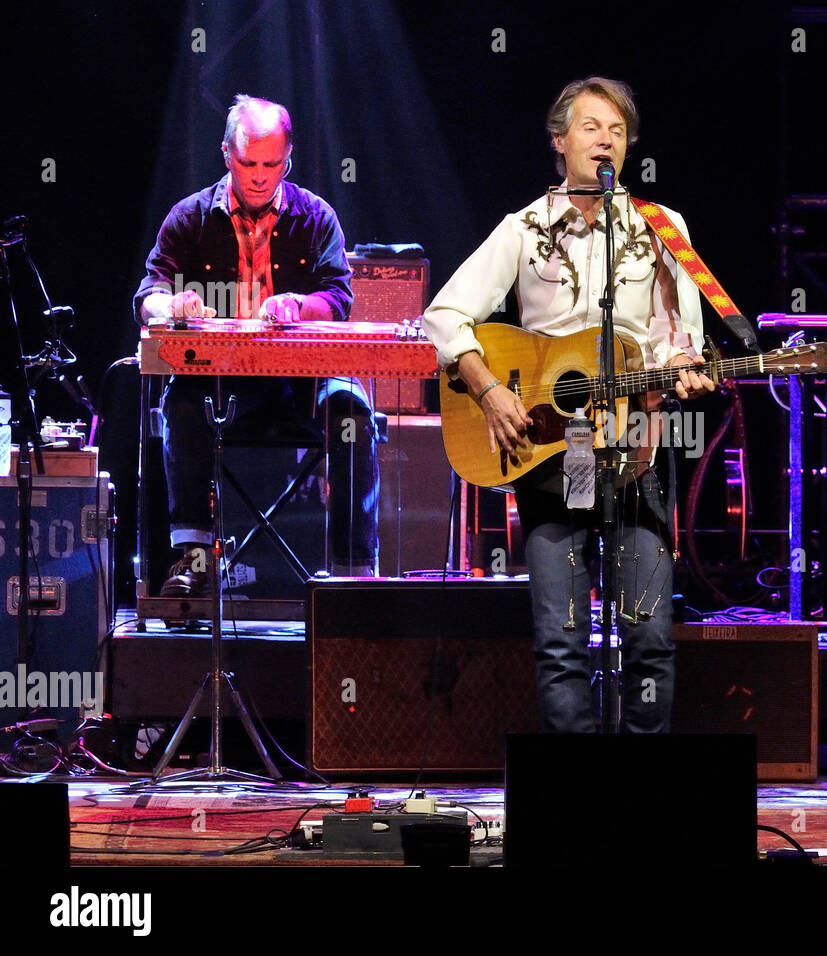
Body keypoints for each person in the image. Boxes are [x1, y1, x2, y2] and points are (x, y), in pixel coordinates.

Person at [423, 76, 714, 732]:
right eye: (591, 127)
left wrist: (686, 370)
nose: (606, 139)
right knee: (562, 644)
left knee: (651, 640)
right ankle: (575, 807)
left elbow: (681, 342)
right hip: (558, 451)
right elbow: (443, 315)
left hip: (634, 448)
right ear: (560, 141)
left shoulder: (662, 228)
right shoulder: (524, 229)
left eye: (617, 129)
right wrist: (490, 389)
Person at [135, 94, 379, 598]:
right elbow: (149, 292)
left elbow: (339, 296)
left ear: (287, 160)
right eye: (248, 163)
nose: (261, 175)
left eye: (273, 164)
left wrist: (298, 305)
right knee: (180, 401)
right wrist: (170, 307)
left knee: (352, 410)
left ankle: (356, 571)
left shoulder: (316, 216)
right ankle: (193, 560)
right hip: (227, 388)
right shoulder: (190, 218)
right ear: (227, 154)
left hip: (305, 384)